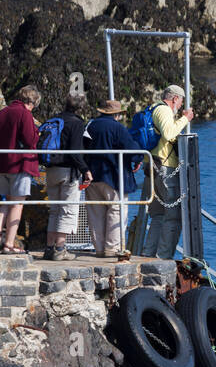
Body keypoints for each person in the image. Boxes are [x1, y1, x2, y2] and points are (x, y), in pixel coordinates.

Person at [133, 85, 194, 259]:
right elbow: (168, 134)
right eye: (181, 102)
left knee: (158, 215)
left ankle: (148, 254)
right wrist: (185, 119)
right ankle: (163, 257)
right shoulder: (164, 111)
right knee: (173, 216)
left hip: (153, 166)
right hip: (165, 168)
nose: (181, 107)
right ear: (175, 99)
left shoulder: (152, 109)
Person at [83, 99, 141, 260]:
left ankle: (99, 248)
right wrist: (138, 158)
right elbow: (132, 148)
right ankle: (112, 248)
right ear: (117, 114)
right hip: (114, 176)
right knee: (116, 209)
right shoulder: (117, 128)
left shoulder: (90, 126)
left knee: (95, 212)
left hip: (92, 175)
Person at [0, 84, 41, 254]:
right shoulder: (24, 114)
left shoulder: (2, 113)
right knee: (17, 204)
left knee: (8, 200)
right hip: (18, 164)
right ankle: (9, 245)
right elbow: (29, 140)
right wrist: (37, 134)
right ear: (31, 102)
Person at [41, 92, 92, 261]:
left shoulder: (54, 119)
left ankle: (49, 248)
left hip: (51, 170)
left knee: (54, 210)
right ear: (81, 107)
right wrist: (85, 170)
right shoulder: (77, 123)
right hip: (67, 172)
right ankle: (60, 249)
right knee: (68, 211)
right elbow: (75, 152)